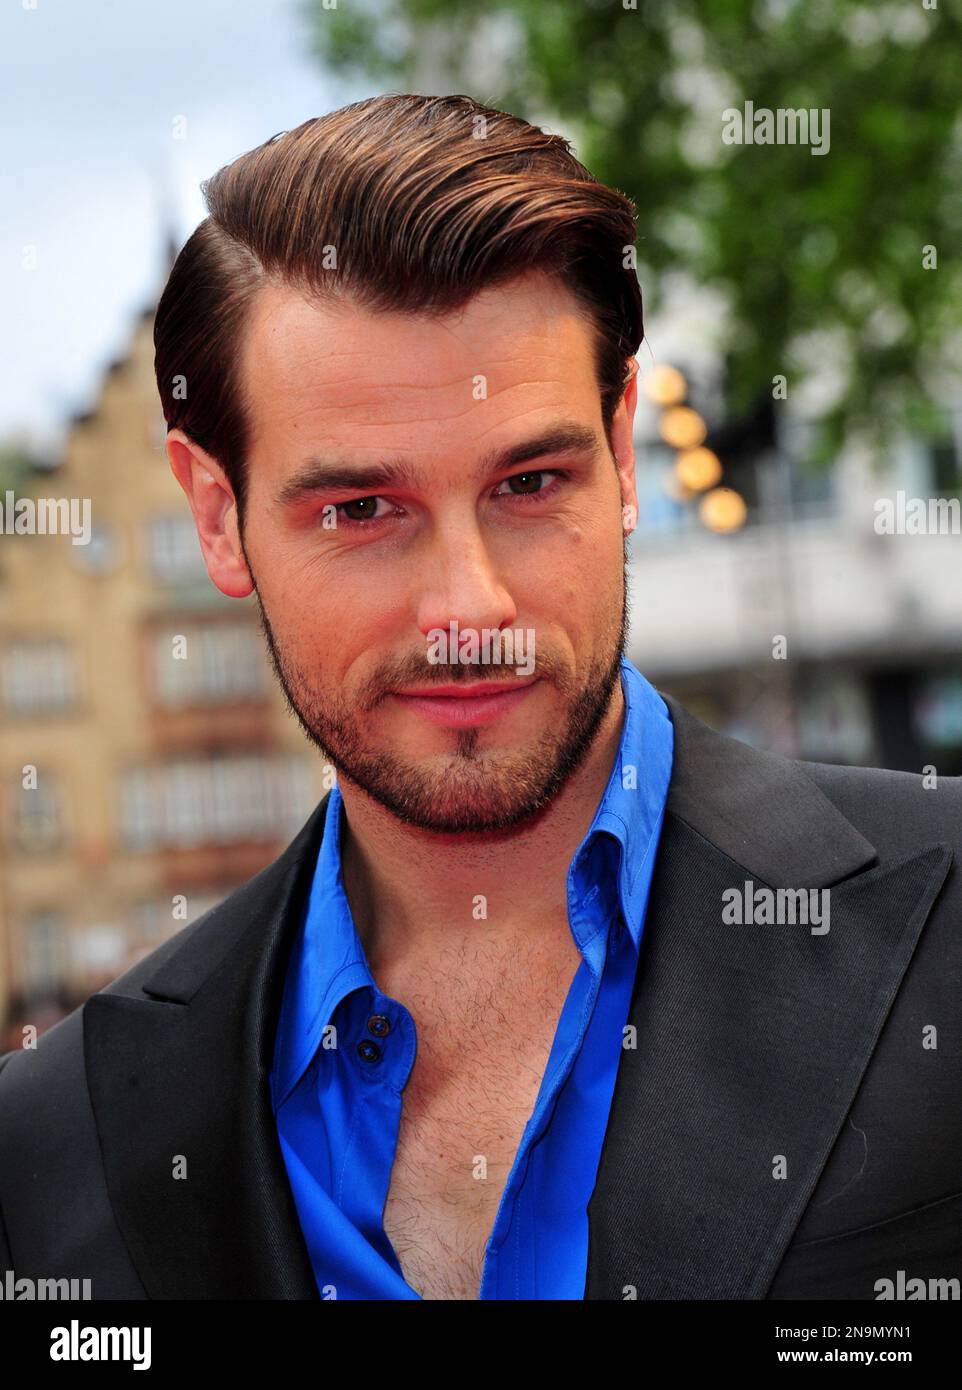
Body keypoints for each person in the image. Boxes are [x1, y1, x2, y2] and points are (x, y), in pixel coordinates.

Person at [1, 93, 960, 1302]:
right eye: (359, 511)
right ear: (216, 517)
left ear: (621, 451)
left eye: (527, 480)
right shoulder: (54, 1140)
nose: (468, 606)